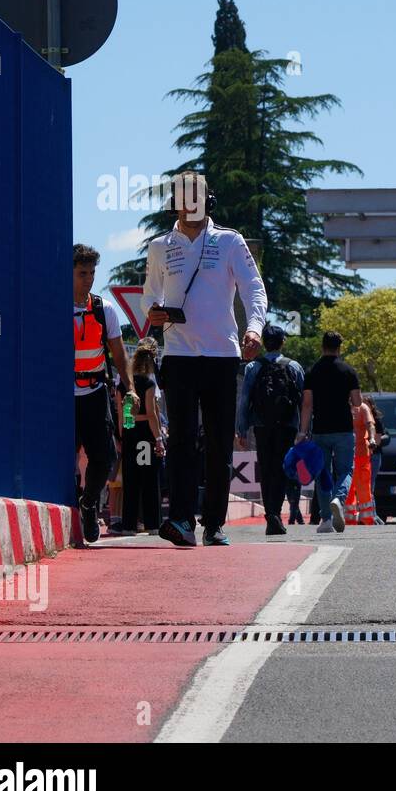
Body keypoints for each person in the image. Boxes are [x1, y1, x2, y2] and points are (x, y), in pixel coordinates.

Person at [144, 172, 267, 548]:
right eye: (183, 198)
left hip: (222, 354)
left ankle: (213, 523)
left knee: (217, 442)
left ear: (207, 201)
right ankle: (181, 520)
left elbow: (253, 287)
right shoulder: (160, 246)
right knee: (180, 439)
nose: (190, 205)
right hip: (178, 354)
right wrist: (155, 313)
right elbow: (149, 298)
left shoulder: (230, 241)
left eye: (196, 197)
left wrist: (255, 329)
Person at [73, 244, 135, 544]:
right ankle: (70, 503)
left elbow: (119, 353)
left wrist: (130, 387)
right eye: (82, 273)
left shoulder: (103, 308)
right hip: (62, 396)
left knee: (105, 456)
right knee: (63, 454)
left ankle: (88, 503)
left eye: (92, 273)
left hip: (95, 392)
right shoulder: (54, 305)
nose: (88, 279)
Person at [236, 324, 305, 535]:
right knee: (282, 469)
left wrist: (242, 430)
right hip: (287, 426)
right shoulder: (294, 366)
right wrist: (304, 430)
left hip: (262, 425)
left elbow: (245, 400)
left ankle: (270, 514)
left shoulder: (253, 367)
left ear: (264, 343)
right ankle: (275, 512)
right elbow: (303, 401)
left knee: (265, 469)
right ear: (283, 342)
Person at [297, 331, 362, 533]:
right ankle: (338, 499)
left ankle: (325, 519)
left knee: (322, 472)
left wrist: (302, 432)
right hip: (343, 428)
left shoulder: (312, 372)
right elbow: (358, 402)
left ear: (322, 346)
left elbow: (307, 405)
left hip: (320, 430)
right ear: (339, 348)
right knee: (345, 471)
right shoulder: (348, 371)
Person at [115, 338, 166, 535]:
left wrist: (121, 437)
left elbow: (121, 414)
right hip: (145, 433)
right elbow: (152, 414)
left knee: (131, 480)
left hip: (129, 431)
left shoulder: (124, 384)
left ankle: (129, 525)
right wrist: (159, 438)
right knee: (149, 479)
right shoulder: (148, 383)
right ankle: (153, 524)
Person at [345, 395, 382, 527]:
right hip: (347, 455)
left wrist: (372, 439)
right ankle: (349, 518)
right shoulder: (343, 408)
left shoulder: (363, 408)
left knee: (364, 489)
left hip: (361, 455)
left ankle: (366, 519)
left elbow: (370, 425)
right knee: (348, 488)